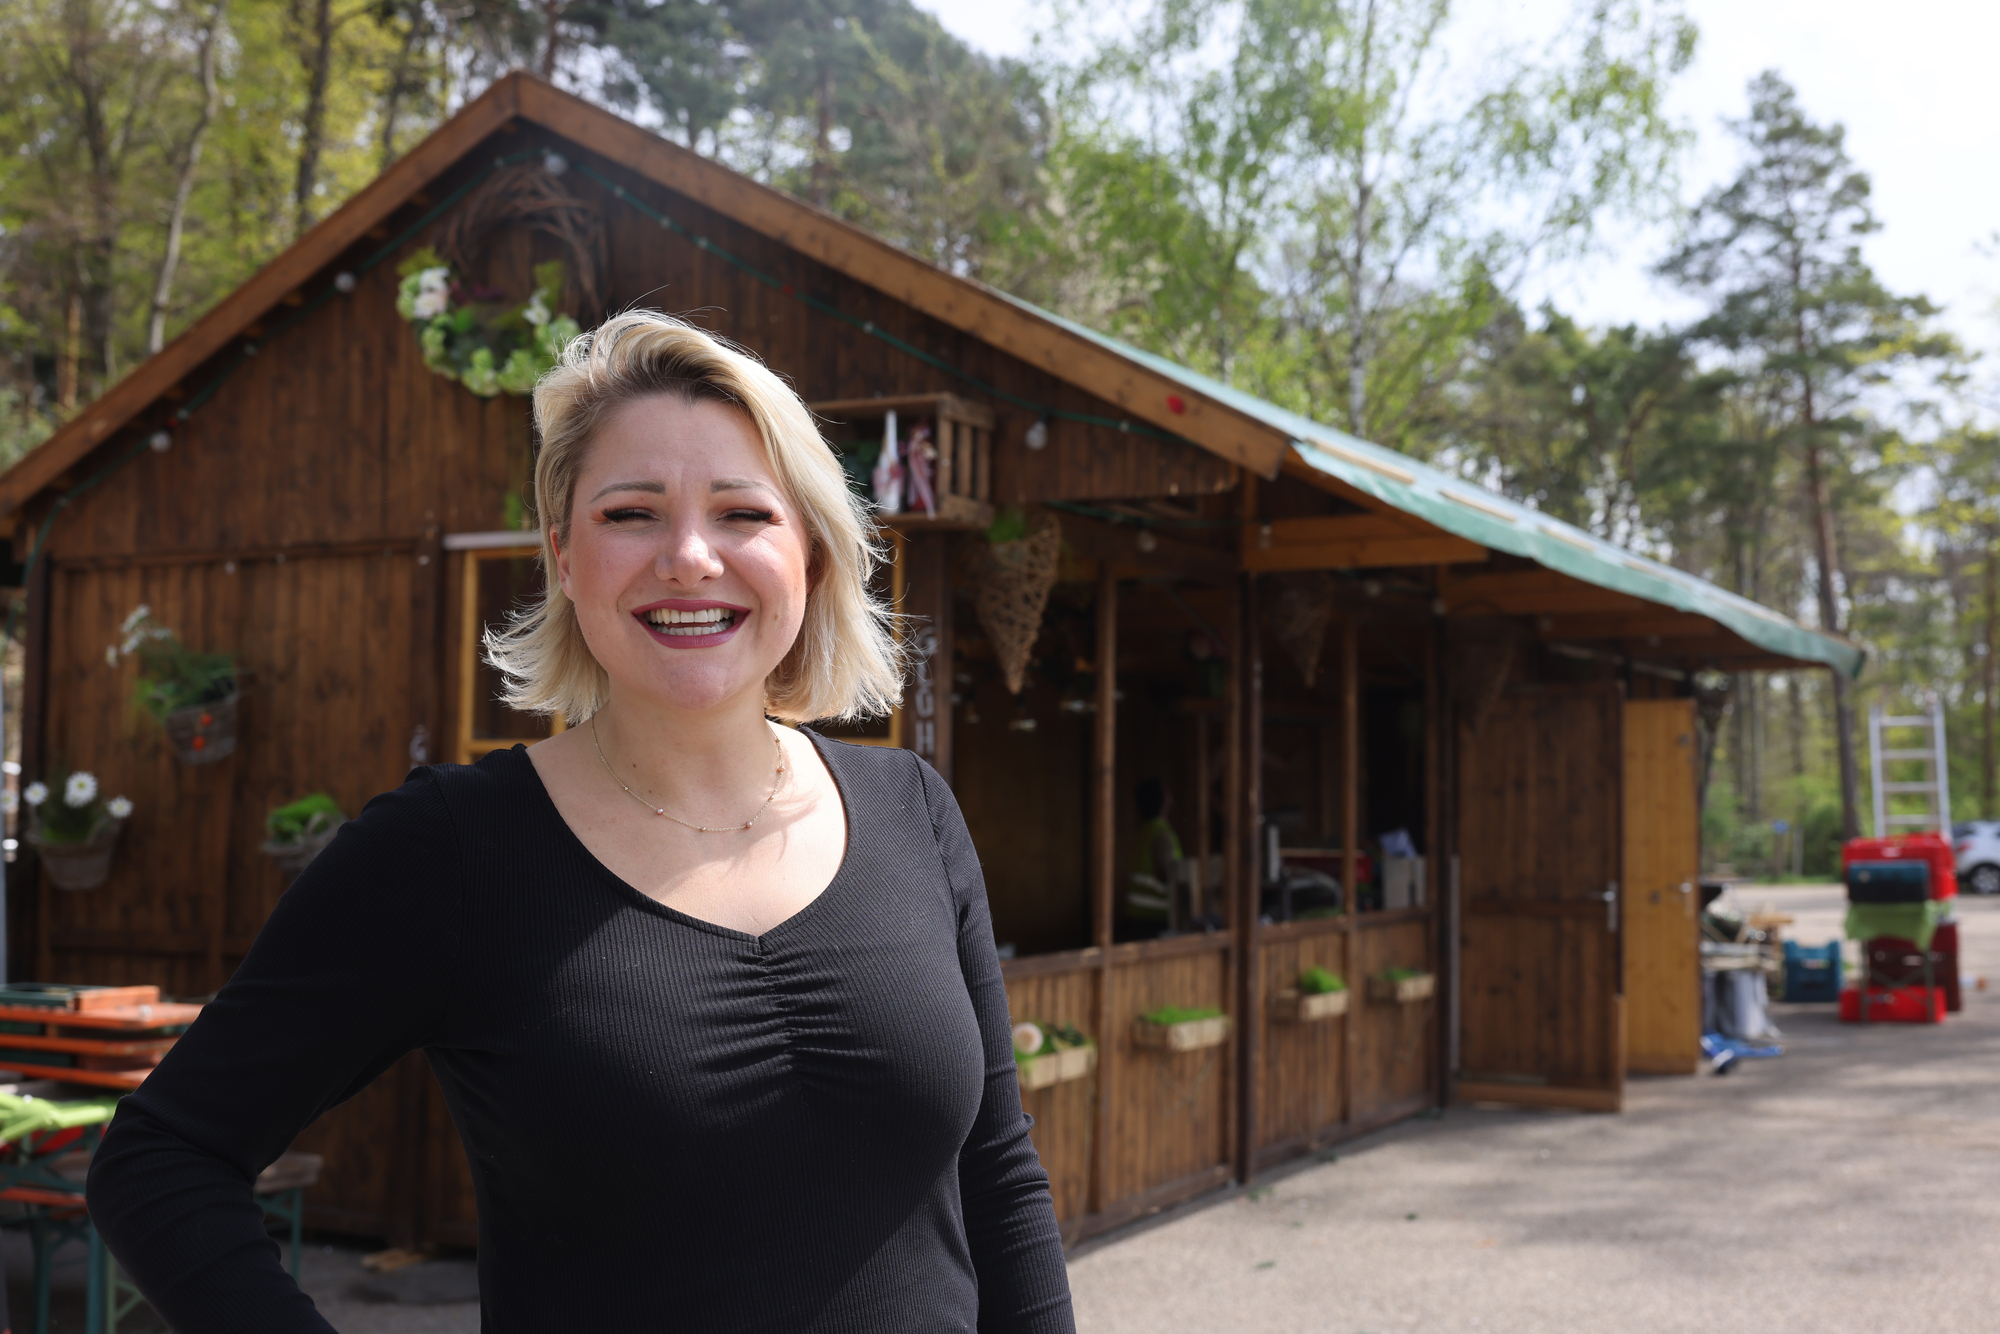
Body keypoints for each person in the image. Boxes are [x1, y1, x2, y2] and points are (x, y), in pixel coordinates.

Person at [85, 312, 1075, 1333]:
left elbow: (997, 1175)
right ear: (563, 557)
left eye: (742, 511)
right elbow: (162, 1158)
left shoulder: (913, 809)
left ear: (813, 557)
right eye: (630, 513)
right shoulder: (452, 848)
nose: (690, 557)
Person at [1126, 777, 1185, 936]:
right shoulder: (1161, 833)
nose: (1171, 795)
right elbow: (1166, 873)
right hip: (1156, 916)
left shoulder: (1145, 830)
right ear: (1161, 799)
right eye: (1167, 792)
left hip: (1139, 913)